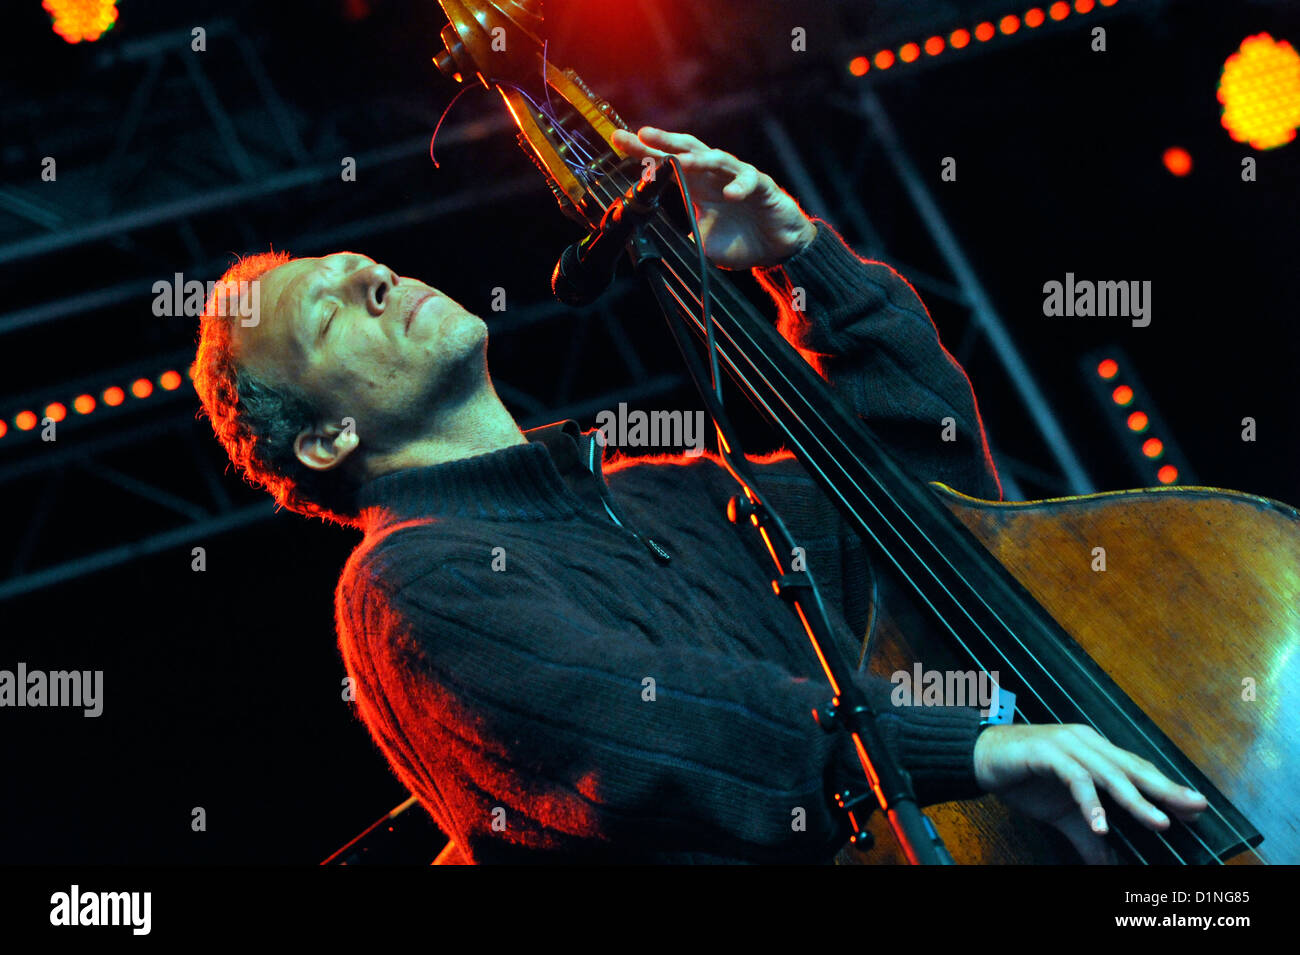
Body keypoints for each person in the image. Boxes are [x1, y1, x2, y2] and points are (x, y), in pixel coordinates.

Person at [193, 126, 1207, 864]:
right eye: (332, 312)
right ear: (326, 437)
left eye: (364, 267)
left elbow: (929, 499)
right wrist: (970, 744)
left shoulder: (680, 494)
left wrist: (802, 261)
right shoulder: (407, 585)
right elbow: (649, 738)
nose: (373, 276)